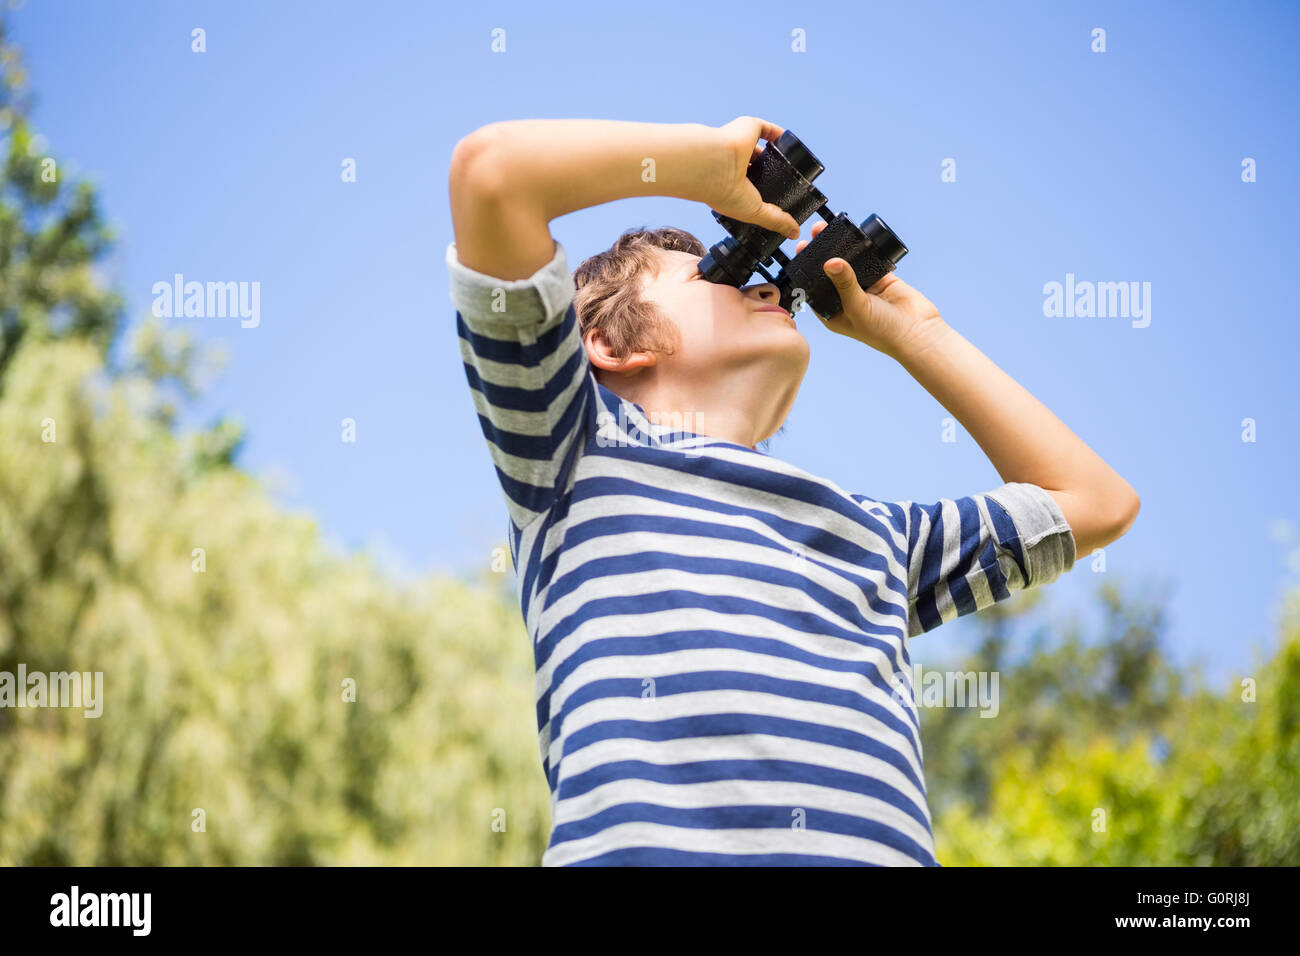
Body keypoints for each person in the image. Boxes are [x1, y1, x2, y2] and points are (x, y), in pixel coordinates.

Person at [445, 116, 1140, 865]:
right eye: (718, 271)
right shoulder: (575, 452)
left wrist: (920, 336)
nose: (756, 279)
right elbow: (494, 176)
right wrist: (705, 165)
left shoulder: (874, 535)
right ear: (612, 345)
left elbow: (1097, 501)